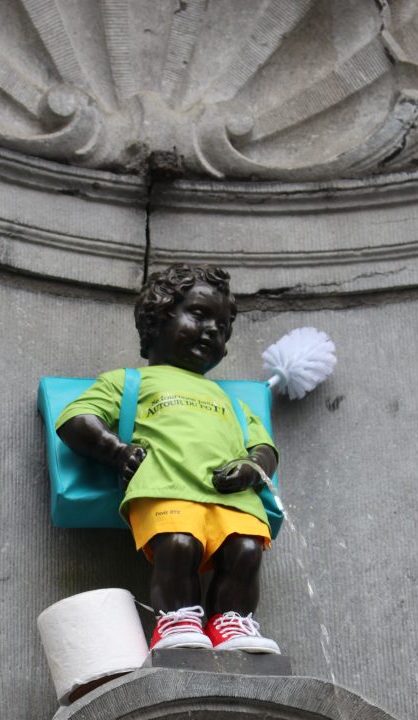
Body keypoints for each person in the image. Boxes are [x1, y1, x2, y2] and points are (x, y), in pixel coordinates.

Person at [56, 263, 280, 653]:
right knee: (177, 546)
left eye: (223, 327)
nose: (213, 330)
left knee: (245, 550)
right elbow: (76, 419)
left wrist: (251, 467)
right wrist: (116, 451)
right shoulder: (130, 382)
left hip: (232, 498)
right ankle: (177, 620)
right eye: (198, 314)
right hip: (166, 487)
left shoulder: (232, 400)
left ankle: (233, 622)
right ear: (157, 318)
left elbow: (263, 447)